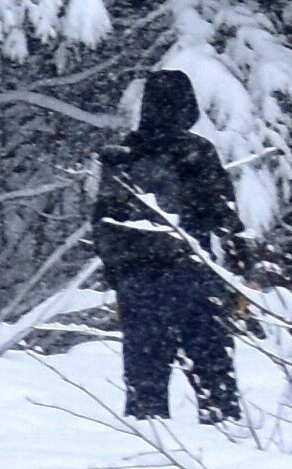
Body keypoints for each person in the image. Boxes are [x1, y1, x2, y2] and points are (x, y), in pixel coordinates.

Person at [94, 68, 246, 425]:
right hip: (191, 276)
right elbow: (223, 216)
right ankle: (229, 456)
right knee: (214, 380)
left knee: (145, 390)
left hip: (138, 283)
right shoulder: (196, 152)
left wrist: (118, 280)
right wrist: (241, 272)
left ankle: (150, 461)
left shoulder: (123, 155)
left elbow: (102, 224)